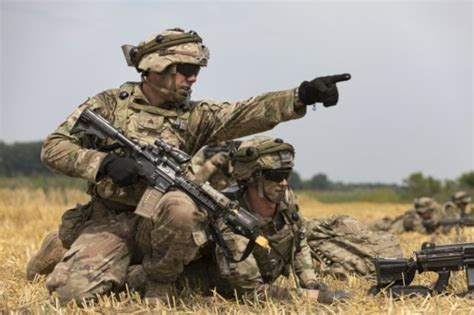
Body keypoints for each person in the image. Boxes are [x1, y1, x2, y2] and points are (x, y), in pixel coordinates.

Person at [39, 27, 351, 304]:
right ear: (156, 67)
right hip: (110, 219)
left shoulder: (195, 115)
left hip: (164, 226)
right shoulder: (108, 105)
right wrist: (103, 163)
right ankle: (62, 249)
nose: (193, 78)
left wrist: (301, 96)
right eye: (186, 69)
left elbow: (246, 112)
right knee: (70, 295)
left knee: (181, 207)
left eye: (196, 71)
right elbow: (54, 148)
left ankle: (157, 286)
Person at [176, 136, 349, 304]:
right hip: (215, 290)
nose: (283, 183)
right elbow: (253, 294)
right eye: (275, 176)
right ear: (252, 178)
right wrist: (315, 297)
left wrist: (310, 281)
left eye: (287, 174)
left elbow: (299, 240)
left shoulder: (285, 201)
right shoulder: (231, 222)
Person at [369, 197, 444, 234]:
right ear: (424, 211)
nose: (431, 213)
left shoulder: (418, 216)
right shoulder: (413, 218)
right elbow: (421, 232)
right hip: (383, 228)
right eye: (430, 211)